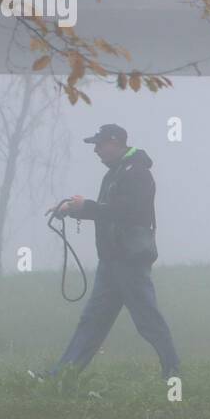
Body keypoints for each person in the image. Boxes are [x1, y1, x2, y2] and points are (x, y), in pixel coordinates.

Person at [43, 124, 180, 380]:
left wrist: (87, 207)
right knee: (92, 322)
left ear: (115, 143)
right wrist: (74, 209)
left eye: (99, 144)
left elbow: (126, 211)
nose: (95, 150)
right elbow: (107, 210)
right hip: (112, 261)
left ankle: (174, 372)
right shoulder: (117, 172)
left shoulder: (137, 172)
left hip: (129, 260)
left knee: (148, 321)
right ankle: (59, 377)